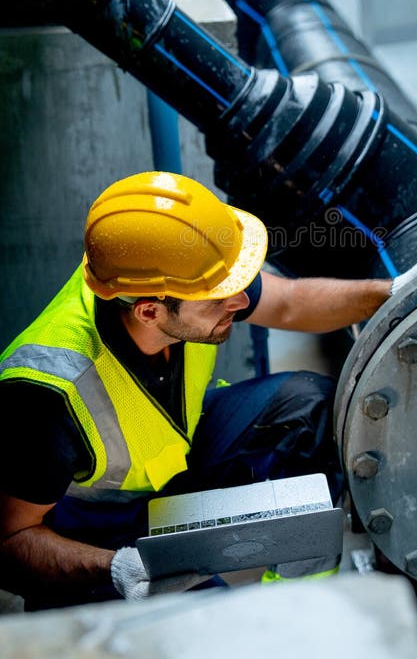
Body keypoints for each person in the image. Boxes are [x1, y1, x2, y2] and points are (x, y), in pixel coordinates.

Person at [0, 171, 393, 610]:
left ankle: (296, 602)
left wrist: (394, 292)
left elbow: (290, 301)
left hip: (178, 454)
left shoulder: (165, 272)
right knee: (200, 620)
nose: (241, 302)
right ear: (150, 311)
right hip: (94, 533)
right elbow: (10, 539)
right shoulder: (46, 396)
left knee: (305, 406)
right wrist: (115, 567)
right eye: (219, 297)